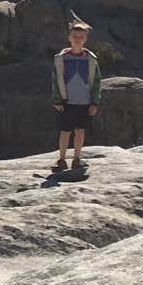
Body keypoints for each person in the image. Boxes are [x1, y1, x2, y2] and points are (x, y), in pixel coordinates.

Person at [50, 19, 102, 174]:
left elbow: (97, 81)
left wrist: (94, 102)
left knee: (80, 131)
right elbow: (55, 79)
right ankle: (62, 159)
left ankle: (77, 159)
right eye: (75, 36)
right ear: (69, 38)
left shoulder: (91, 59)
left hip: (85, 102)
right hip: (66, 102)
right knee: (65, 131)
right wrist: (56, 99)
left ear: (85, 39)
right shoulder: (61, 59)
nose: (78, 39)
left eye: (81, 37)